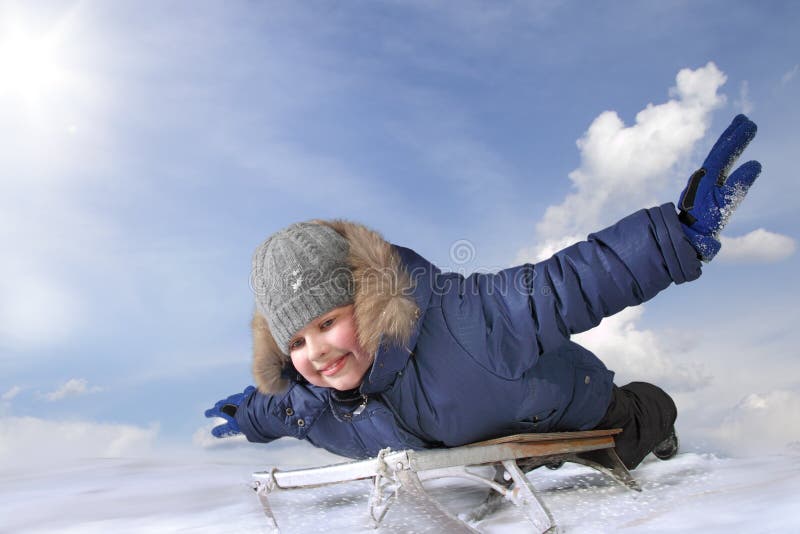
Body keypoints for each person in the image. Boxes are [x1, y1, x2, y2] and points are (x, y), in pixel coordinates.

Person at [206, 115, 761, 470]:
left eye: (327, 323)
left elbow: (567, 284)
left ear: (368, 298)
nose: (317, 353)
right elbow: (279, 407)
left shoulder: (465, 321)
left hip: (571, 408)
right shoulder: (315, 400)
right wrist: (246, 413)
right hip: (492, 443)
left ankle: (661, 418)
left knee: (632, 430)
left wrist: (674, 238)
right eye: (297, 342)